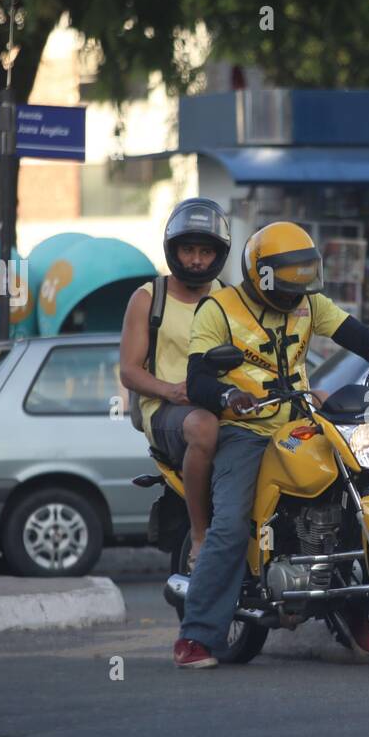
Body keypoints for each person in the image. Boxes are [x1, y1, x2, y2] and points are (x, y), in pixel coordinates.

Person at [175, 221, 369, 668]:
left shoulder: (309, 304)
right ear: (261, 274)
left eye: (301, 280)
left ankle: (352, 604)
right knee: (232, 524)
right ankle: (195, 636)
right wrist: (229, 396)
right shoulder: (218, 308)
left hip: (304, 422)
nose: (295, 293)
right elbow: (197, 379)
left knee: (358, 493)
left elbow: (354, 334)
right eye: (288, 282)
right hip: (246, 430)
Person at [120, 198, 230, 568]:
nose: (196, 260)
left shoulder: (230, 298)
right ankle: (200, 534)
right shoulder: (150, 299)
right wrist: (171, 390)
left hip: (223, 401)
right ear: (173, 251)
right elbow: (129, 372)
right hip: (168, 410)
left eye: (204, 250)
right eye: (188, 250)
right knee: (203, 426)